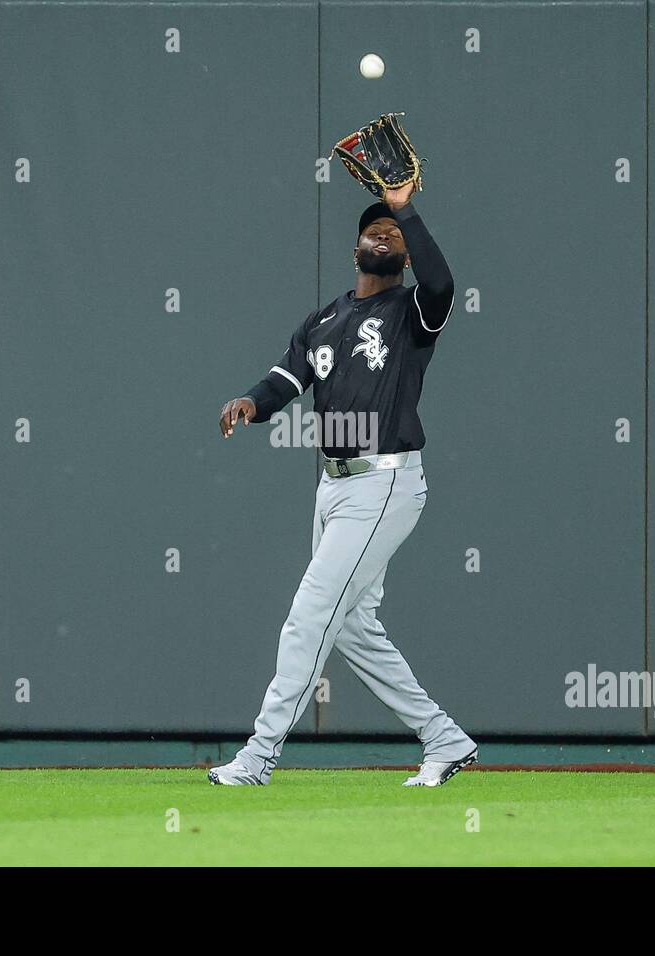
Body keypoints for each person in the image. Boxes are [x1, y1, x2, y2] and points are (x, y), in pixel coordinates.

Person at [210, 182, 477, 787]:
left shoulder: (412, 312)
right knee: (353, 627)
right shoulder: (324, 319)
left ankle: (258, 756)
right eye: (374, 227)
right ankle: (444, 738)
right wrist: (251, 402)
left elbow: (443, 286)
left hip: (383, 483)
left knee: (309, 616)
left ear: (406, 253)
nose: (383, 233)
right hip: (333, 488)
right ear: (356, 245)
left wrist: (405, 204)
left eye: (395, 232)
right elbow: (285, 379)